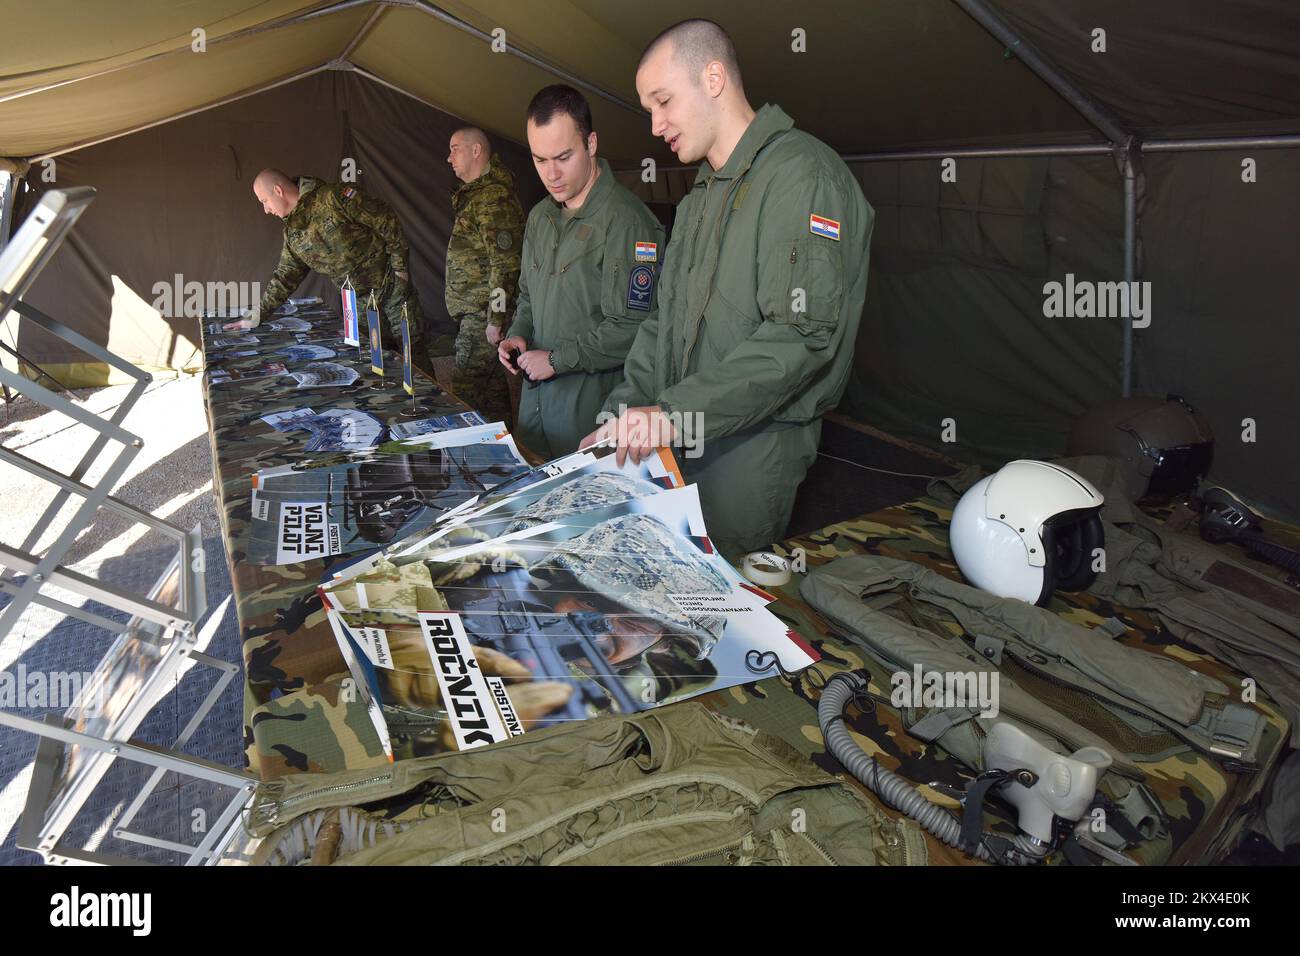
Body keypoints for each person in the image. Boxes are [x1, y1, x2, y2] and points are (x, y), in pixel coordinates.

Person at [584, 19, 874, 560]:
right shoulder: (700, 199)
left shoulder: (801, 175)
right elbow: (660, 324)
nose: (655, 125)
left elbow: (800, 339)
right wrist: (618, 418)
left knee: (727, 605)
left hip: (748, 453)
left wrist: (669, 415)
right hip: (677, 439)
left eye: (663, 101)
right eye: (649, 109)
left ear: (713, 78)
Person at [495, 85, 665, 459]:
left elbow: (635, 328)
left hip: (590, 416)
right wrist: (519, 335)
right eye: (539, 160)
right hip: (535, 410)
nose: (551, 174)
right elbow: (528, 295)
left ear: (590, 144)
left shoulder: (627, 223)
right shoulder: (540, 217)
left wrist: (557, 360)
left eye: (563, 157)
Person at [227, 169, 427, 363]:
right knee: (375, 357)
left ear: (278, 191)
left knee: (413, 350)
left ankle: (429, 395)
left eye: (265, 201)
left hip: (391, 285)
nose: (266, 209)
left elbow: (386, 220)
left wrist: (400, 271)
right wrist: (256, 316)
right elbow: (285, 277)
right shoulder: (294, 233)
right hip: (358, 302)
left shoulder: (334, 197)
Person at [446, 127, 526, 426]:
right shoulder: (480, 194)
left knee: (464, 391)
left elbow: (504, 264)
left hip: (483, 317)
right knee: (492, 397)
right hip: (478, 315)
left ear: (476, 150)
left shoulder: (492, 197)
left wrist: (495, 319)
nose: (449, 157)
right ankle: (507, 453)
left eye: (456, 148)